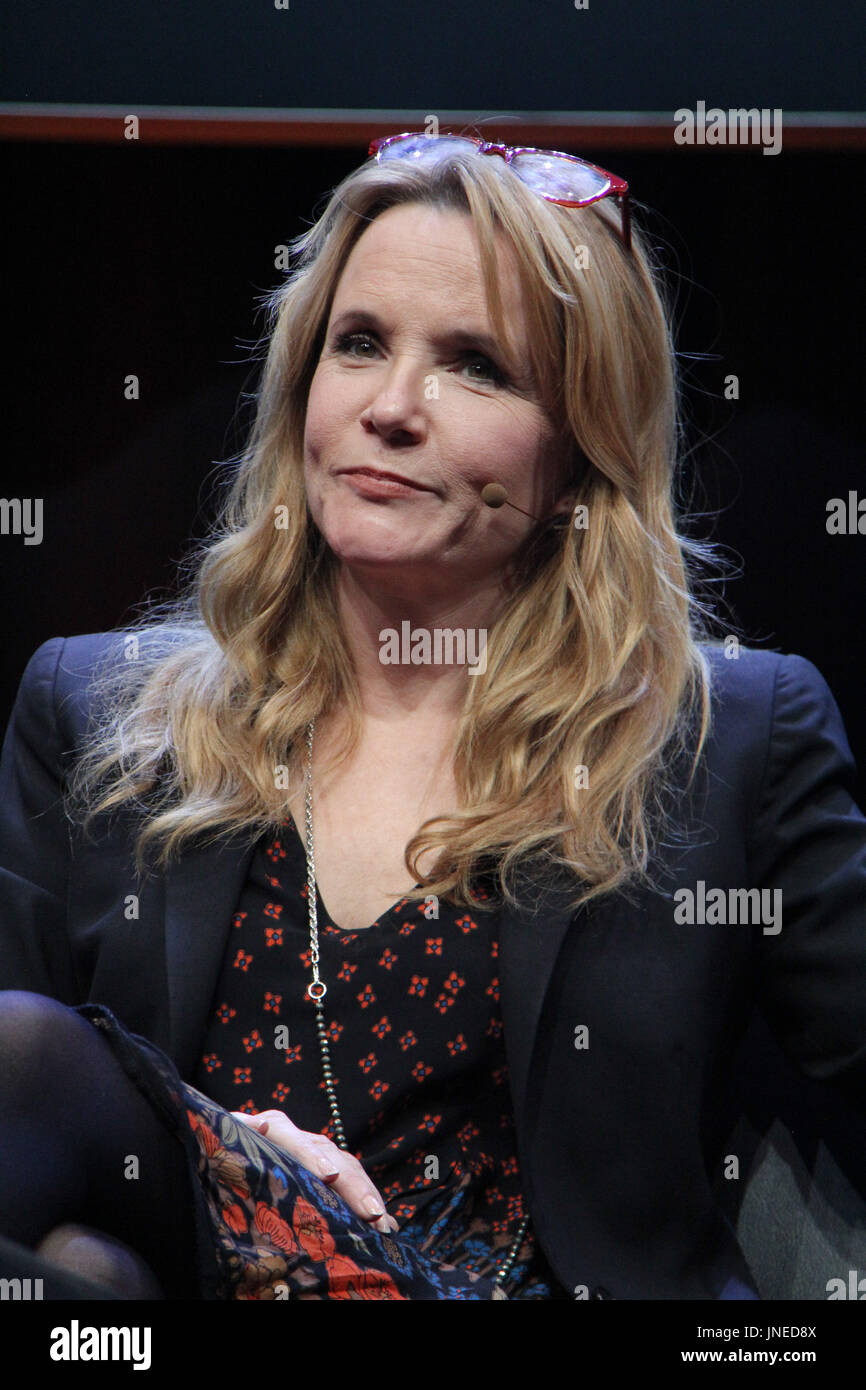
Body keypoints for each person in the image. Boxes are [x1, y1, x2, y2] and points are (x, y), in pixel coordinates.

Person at [1, 131, 864, 1302]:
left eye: (477, 367)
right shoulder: (94, 711)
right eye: (357, 345)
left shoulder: (725, 737)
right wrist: (226, 1148)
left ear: (579, 449)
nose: (391, 408)